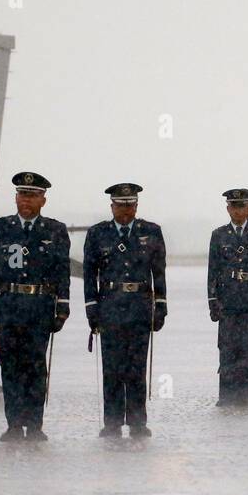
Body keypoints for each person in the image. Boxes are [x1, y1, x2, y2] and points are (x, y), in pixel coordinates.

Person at [0, 172, 71, 441]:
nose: (26, 201)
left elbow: (62, 271)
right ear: (16, 197)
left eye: (32, 195)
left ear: (43, 199)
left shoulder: (55, 230)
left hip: (40, 306)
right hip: (9, 306)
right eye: (22, 194)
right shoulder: (1, 228)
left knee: (35, 367)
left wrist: (62, 307)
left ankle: (34, 424)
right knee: (10, 367)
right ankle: (13, 424)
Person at [82, 182, 167, 438]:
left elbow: (159, 274)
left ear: (137, 205)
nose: (126, 209)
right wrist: (92, 308)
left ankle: (138, 421)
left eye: (130, 204)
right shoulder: (98, 234)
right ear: (112, 206)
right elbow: (89, 274)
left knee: (137, 367)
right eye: (120, 204)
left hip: (140, 306)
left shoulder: (151, 232)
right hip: (111, 306)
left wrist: (160, 306)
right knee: (113, 368)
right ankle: (112, 421)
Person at [207, 188, 248, 407]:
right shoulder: (219, 235)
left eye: (242, 205)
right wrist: (213, 301)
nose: (237, 210)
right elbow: (213, 271)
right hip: (228, 301)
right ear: (228, 208)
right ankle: (228, 397)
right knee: (228, 349)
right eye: (234, 206)